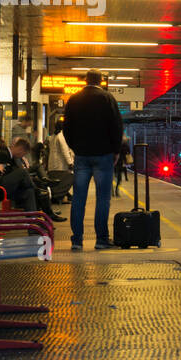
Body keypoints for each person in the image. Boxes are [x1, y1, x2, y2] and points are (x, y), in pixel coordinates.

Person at [63, 69, 123, 251]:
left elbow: (67, 128)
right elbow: (116, 126)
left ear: (85, 80)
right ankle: (101, 240)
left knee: (79, 198)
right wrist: (116, 150)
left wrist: (76, 147)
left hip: (82, 156)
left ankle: (77, 241)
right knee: (102, 198)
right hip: (104, 155)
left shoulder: (74, 99)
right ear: (101, 81)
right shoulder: (107, 98)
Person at [46, 120, 75, 202]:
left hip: (52, 166)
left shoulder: (52, 136)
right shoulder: (61, 136)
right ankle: (57, 195)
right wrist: (70, 163)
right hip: (60, 166)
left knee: (58, 183)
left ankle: (63, 195)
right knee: (72, 178)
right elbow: (65, 151)